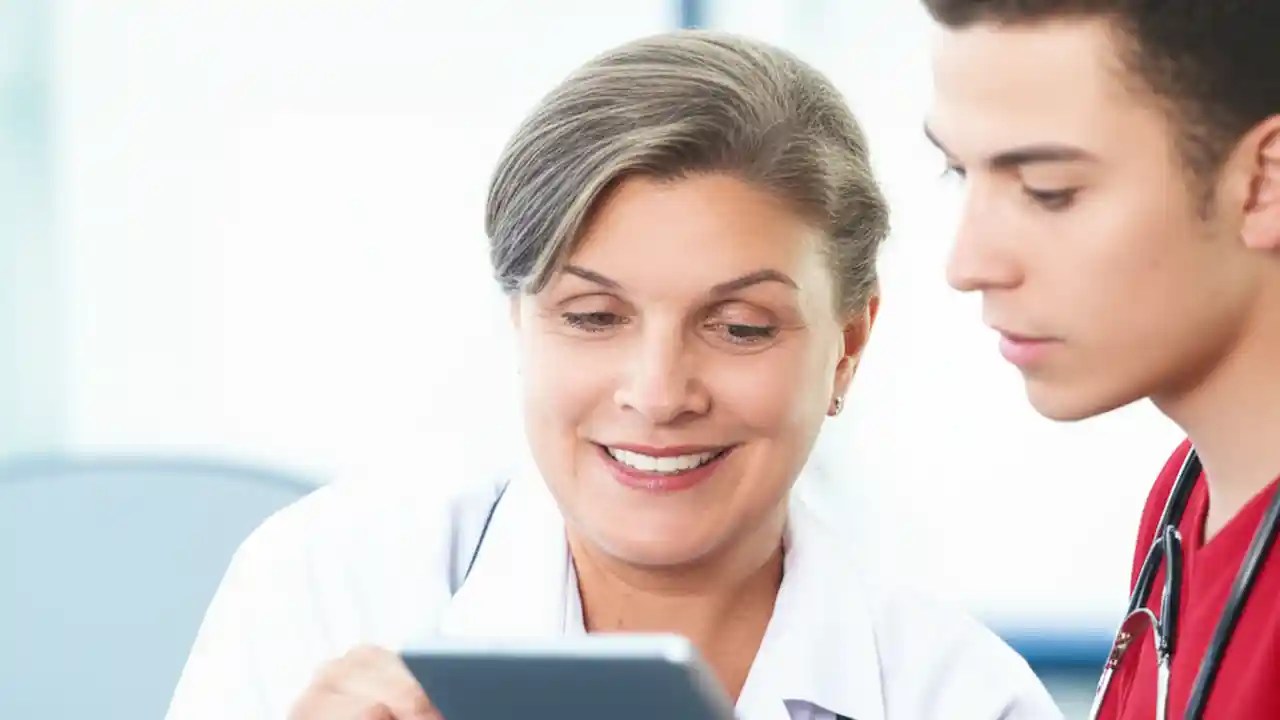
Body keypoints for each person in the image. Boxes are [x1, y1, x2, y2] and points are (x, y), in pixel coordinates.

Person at [165, 30, 1060, 720]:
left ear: (850, 343)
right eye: (594, 318)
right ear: (519, 320)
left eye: (740, 327)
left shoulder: (959, 694)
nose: (660, 393)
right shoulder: (325, 588)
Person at [920, 1, 1280, 718]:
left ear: (1264, 183)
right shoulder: (1184, 503)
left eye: (1048, 192)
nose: (968, 264)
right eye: (960, 173)